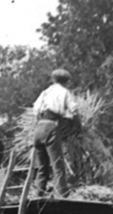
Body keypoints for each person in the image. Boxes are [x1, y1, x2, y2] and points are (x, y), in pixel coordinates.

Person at [30, 68, 81, 197]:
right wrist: (78, 125)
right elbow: (74, 110)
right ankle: (63, 193)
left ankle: (39, 192)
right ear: (67, 81)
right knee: (57, 163)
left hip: (38, 129)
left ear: (53, 80)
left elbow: (35, 110)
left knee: (42, 165)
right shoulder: (64, 92)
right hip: (50, 127)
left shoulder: (44, 93)